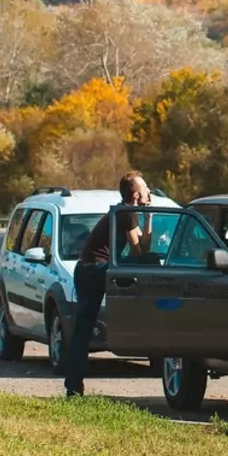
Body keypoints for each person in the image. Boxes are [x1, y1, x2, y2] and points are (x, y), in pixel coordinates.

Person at [64, 170, 153, 397]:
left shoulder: (125, 212)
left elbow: (142, 246)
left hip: (85, 270)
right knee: (148, 268)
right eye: (145, 190)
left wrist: (149, 217)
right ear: (135, 197)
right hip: (95, 270)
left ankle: (73, 385)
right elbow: (139, 251)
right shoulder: (126, 213)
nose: (149, 192)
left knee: (82, 330)